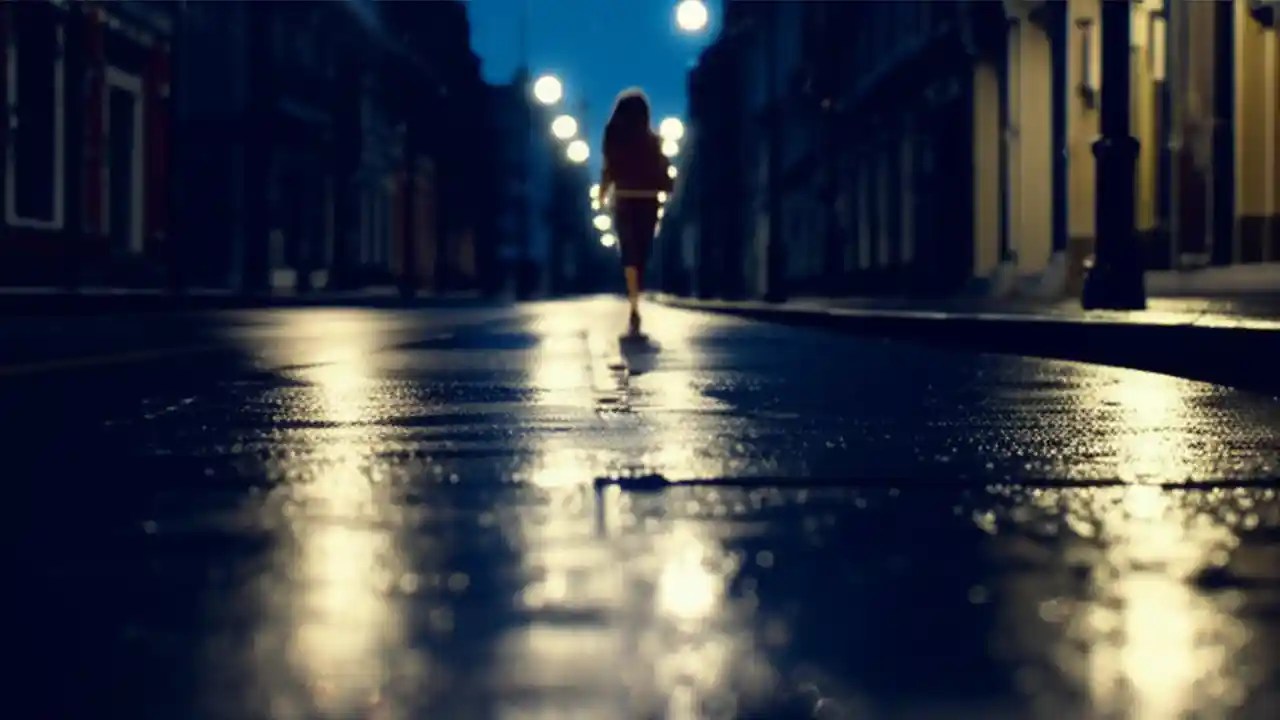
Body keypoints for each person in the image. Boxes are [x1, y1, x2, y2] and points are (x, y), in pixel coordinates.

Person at [599, 88, 674, 336]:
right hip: (648, 200)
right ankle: (635, 297)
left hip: (624, 199)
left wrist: (602, 193)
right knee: (642, 252)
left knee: (629, 252)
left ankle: (633, 301)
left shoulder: (613, 135)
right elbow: (663, 169)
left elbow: (608, 166)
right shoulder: (652, 139)